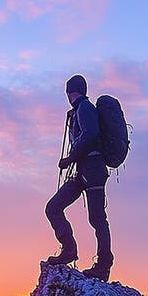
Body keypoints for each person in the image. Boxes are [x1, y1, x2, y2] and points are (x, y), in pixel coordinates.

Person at [44, 74, 114, 281]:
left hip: (92, 169)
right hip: (84, 171)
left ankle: (103, 265)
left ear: (68, 92)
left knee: (97, 218)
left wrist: (70, 158)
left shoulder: (85, 108)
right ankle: (69, 250)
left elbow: (90, 133)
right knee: (54, 207)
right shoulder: (81, 110)